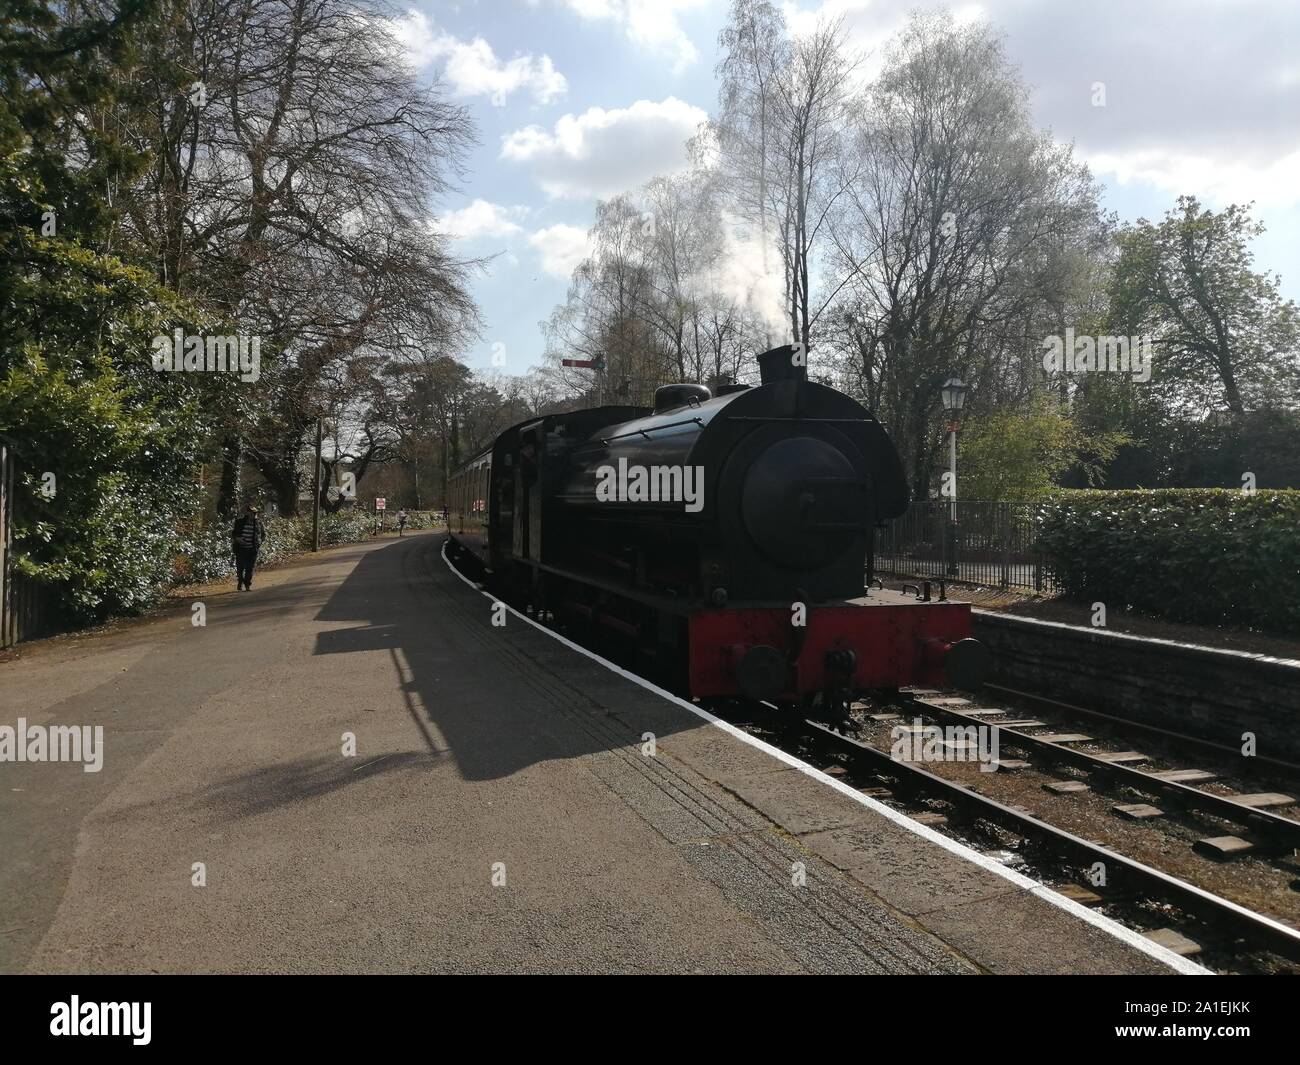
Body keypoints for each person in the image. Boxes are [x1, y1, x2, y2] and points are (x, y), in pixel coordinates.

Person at [231, 504, 266, 590]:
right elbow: (234, 534)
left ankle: (247, 584)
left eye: (254, 513)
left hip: (252, 549)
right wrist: (238, 539)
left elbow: (263, 534)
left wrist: (259, 542)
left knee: (249, 568)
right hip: (240, 549)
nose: (252, 515)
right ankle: (240, 581)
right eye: (250, 513)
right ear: (247, 513)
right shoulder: (239, 522)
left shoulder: (258, 523)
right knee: (240, 568)